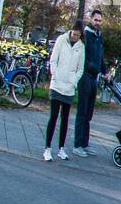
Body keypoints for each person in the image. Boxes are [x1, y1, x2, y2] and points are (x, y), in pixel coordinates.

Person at [43, 21, 85, 162]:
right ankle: (47, 148)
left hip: (69, 88)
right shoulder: (61, 40)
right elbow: (53, 60)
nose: (75, 37)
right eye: (74, 34)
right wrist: (55, 74)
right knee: (53, 116)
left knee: (65, 118)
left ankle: (61, 148)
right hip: (57, 85)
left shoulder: (81, 47)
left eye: (78, 35)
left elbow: (80, 69)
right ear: (70, 31)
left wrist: (74, 81)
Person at [71, 9, 108, 157]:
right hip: (85, 77)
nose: (98, 23)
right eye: (96, 20)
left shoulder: (98, 36)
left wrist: (105, 72)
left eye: (100, 20)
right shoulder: (85, 35)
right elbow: (82, 57)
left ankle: (84, 144)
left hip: (94, 78)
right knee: (82, 111)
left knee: (88, 114)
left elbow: (101, 57)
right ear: (91, 19)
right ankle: (77, 145)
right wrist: (92, 67)